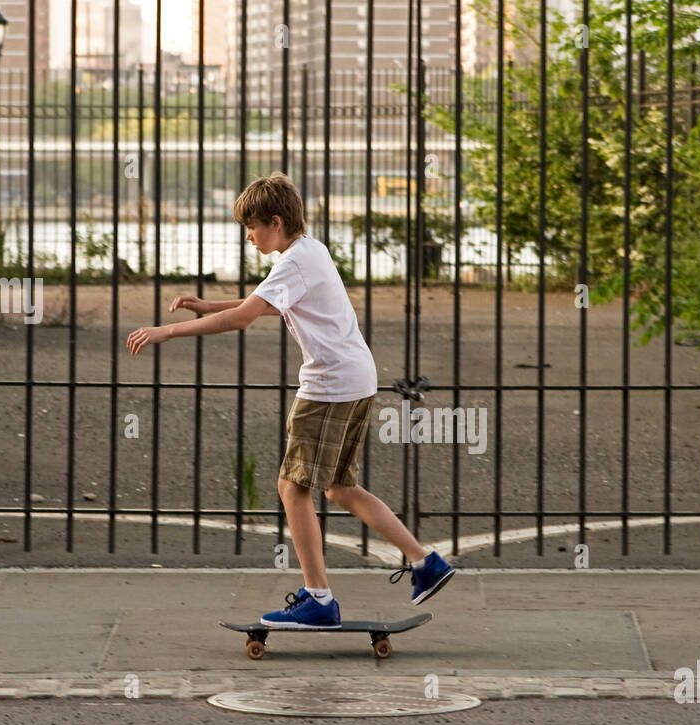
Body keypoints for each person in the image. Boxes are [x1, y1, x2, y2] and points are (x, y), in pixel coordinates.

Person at [126, 171, 454, 628]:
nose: (249, 236)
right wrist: (208, 305)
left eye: (253, 227)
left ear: (276, 222)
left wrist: (169, 331)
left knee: (291, 487)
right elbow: (258, 303)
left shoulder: (294, 262)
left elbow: (244, 319)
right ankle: (426, 562)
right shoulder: (308, 251)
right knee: (339, 488)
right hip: (356, 378)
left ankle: (319, 600)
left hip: (328, 387)